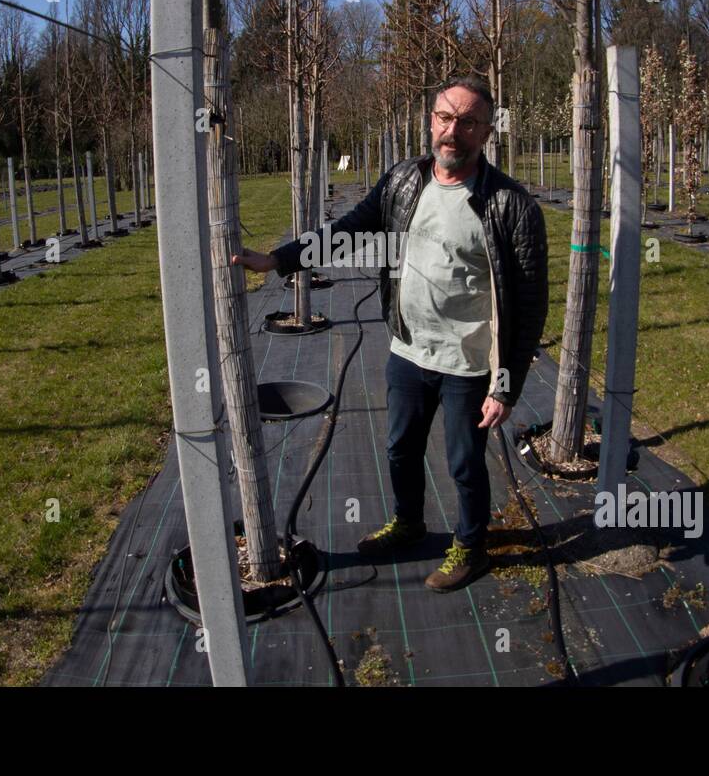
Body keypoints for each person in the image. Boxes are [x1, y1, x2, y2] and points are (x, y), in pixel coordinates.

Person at [232, 74, 548, 592]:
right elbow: (351, 228)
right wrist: (280, 260)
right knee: (400, 448)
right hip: (407, 350)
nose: (454, 131)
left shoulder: (511, 206)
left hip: (468, 363)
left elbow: (531, 303)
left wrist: (505, 384)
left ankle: (471, 548)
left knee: (464, 464)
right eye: (446, 118)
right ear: (431, 123)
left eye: (468, 122)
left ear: (487, 132)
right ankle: (408, 523)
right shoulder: (404, 182)